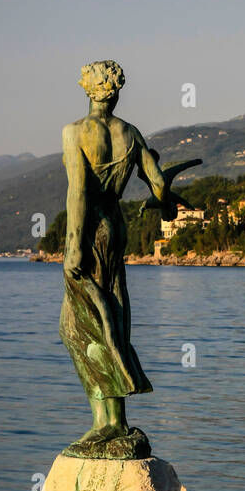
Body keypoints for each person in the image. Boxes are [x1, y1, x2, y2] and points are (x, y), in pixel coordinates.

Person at [59, 59, 176, 457]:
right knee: (114, 313)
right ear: (116, 90)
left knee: (77, 327)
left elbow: (77, 191)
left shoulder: (76, 132)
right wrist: (166, 198)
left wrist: (74, 244)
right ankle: (117, 421)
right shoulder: (131, 133)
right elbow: (159, 186)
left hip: (89, 227)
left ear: (87, 89)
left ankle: (103, 423)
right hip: (116, 227)